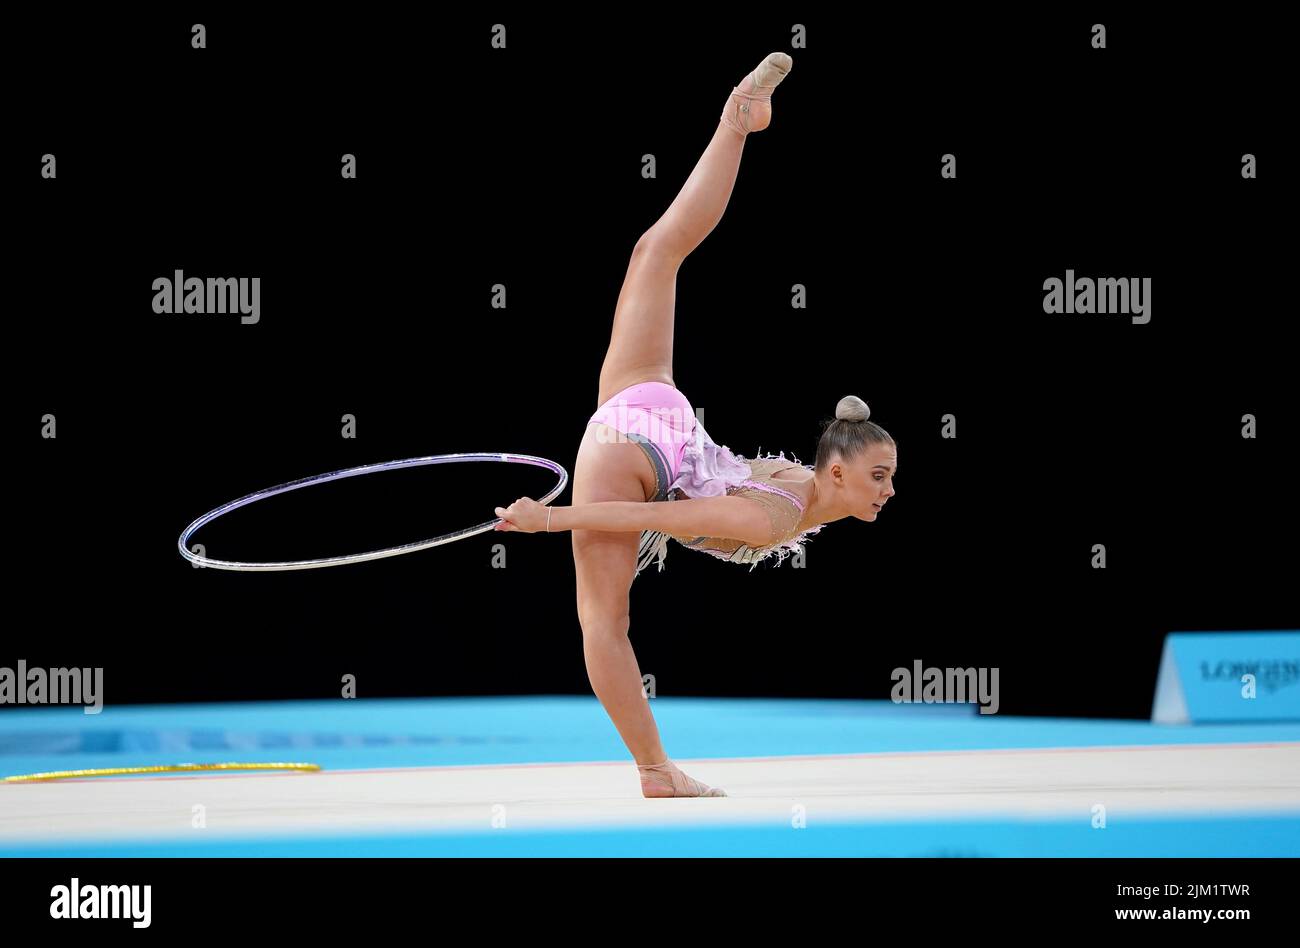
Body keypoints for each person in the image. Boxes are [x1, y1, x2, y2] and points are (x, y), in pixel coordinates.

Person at [494, 53, 899, 798]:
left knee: (658, 250)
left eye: (891, 479)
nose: (888, 492)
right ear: (836, 471)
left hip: (655, 410)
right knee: (604, 626)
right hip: (635, 450)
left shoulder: (792, 486)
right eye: (879, 477)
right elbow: (655, 514)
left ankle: (734, 124)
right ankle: (655, 770)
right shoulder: (771, 515)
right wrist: (546, 523)